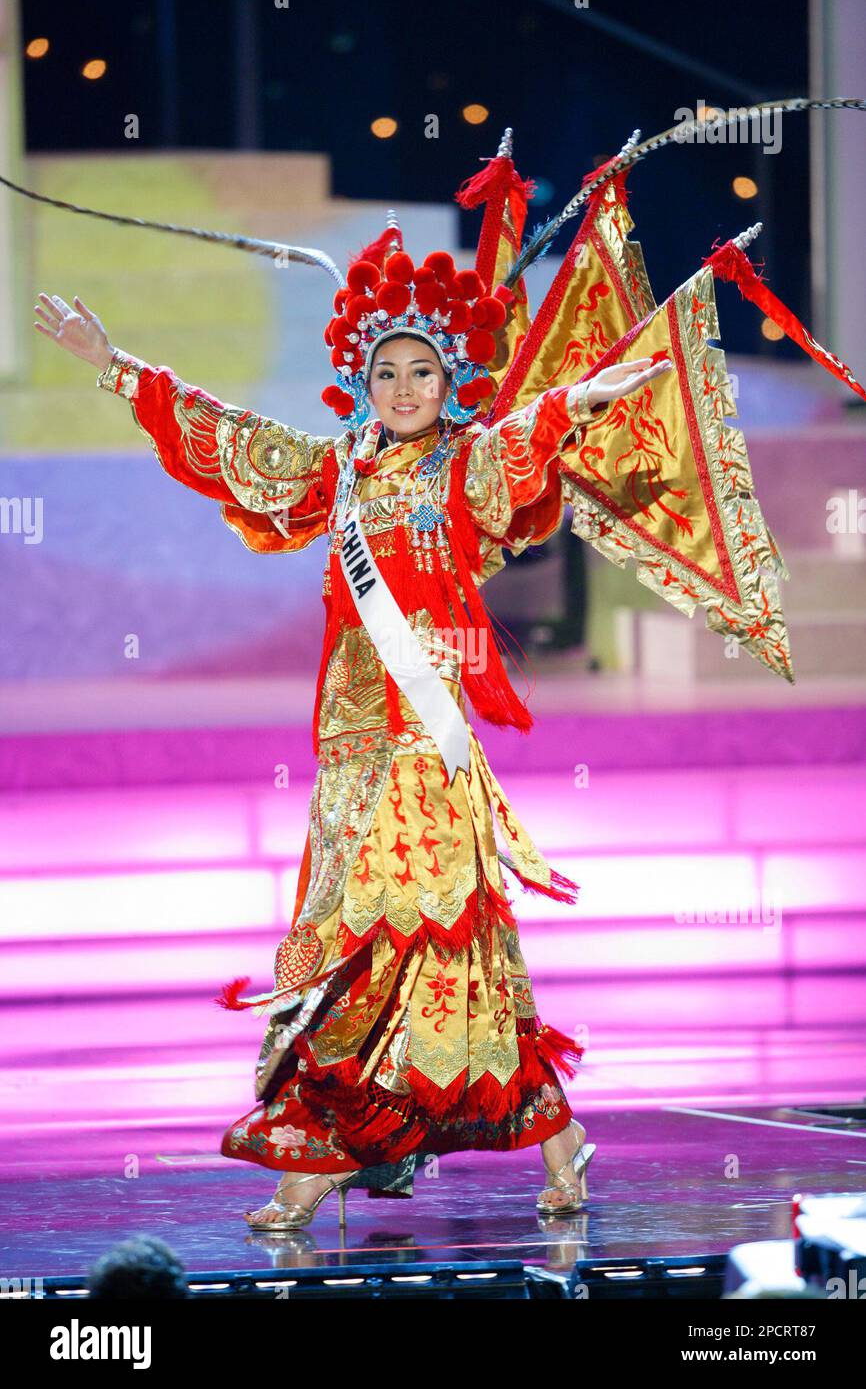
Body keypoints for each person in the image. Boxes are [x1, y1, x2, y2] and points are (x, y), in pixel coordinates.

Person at [33, 272, 671, 1231]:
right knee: (348, 943)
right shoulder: (336, 471)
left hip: (423, 739)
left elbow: (521, 446)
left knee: (447, 946)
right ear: (361, 383)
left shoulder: (463, 463)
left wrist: (577, 401)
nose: (405, 388)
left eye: (422, 371)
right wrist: (116, 367)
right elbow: (234, 441)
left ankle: (363, 1157)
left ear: (448, 380)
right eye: (387, 373)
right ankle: (499, 1138)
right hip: (345, 742)